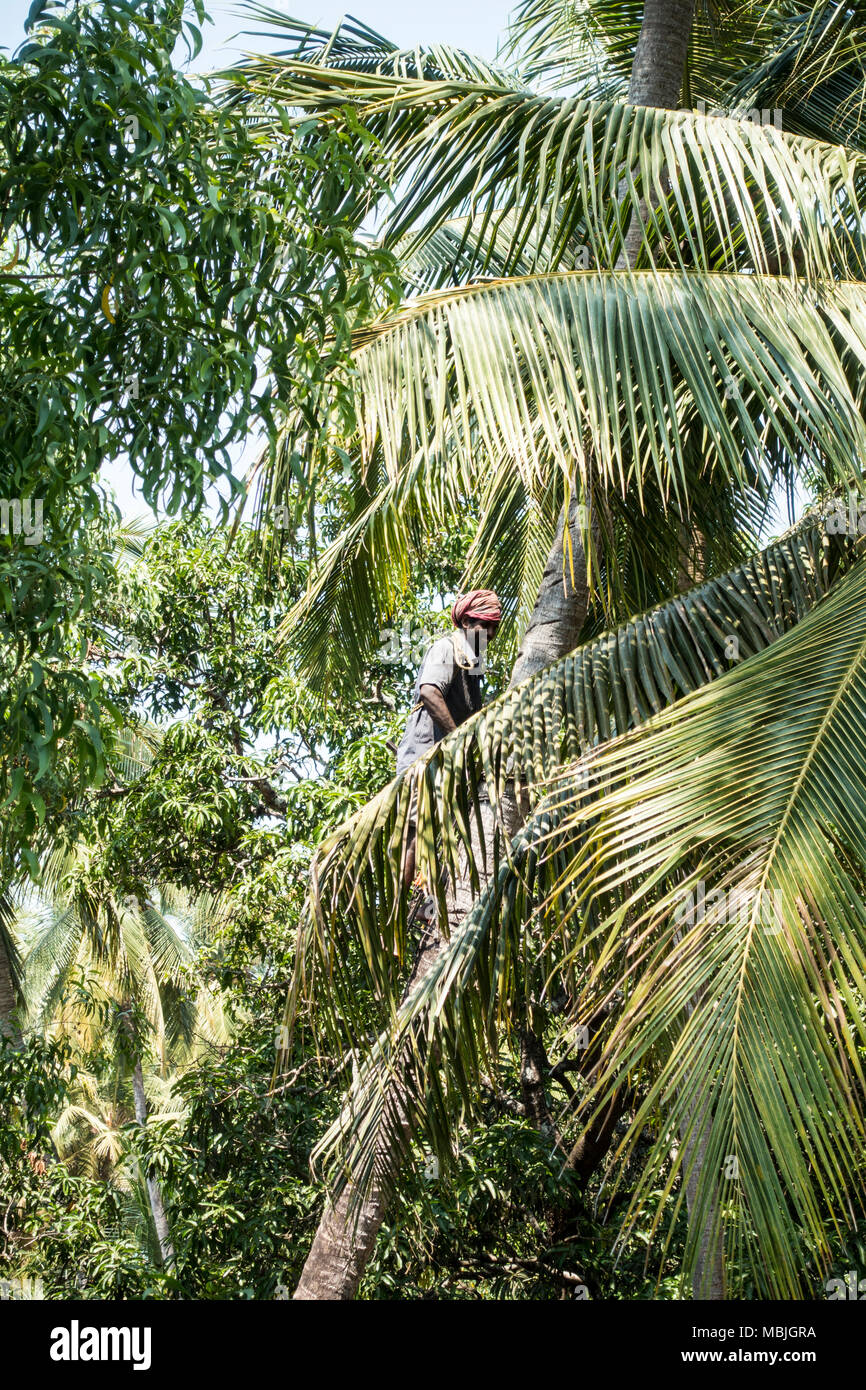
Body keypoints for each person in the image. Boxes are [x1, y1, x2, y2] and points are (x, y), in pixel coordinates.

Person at [395, 589, 502, 891]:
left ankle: (429, 903)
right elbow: (430, 692)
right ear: (467, 622)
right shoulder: (446, 648)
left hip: (449, 768)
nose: (491, 634)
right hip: (424, 759)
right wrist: (457, 740)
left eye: (495, 627)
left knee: (445, 833)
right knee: (415, 831)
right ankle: (399, 911)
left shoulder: (473, 666)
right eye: (486, 625)